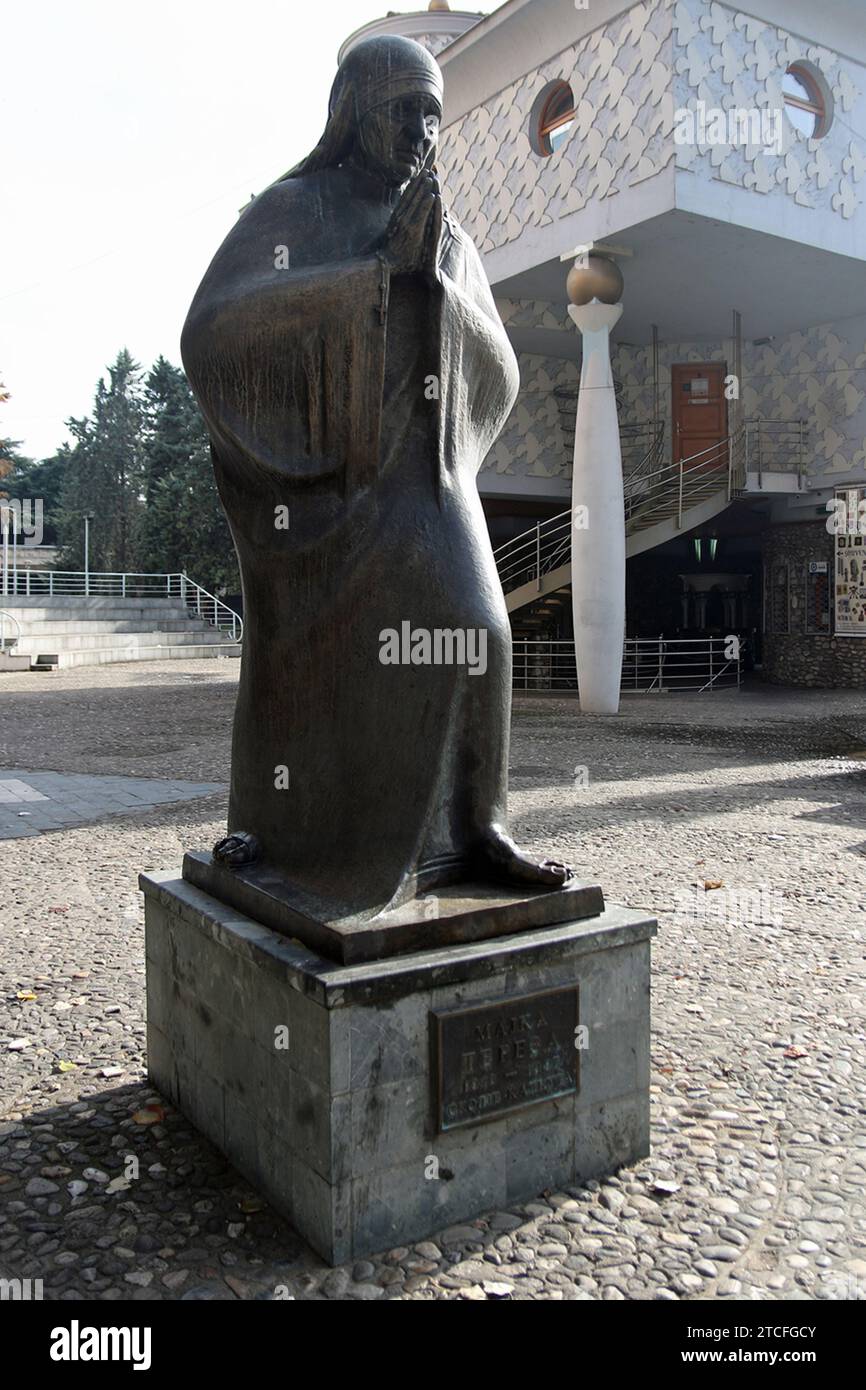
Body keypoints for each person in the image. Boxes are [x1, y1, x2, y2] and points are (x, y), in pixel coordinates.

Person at [181, 35, 571, 923]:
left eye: (433, 112)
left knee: (479, 626)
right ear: (354, 110)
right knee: (333, 663)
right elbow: (214, 330)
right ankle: (326, 843)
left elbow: (499, 366)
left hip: (424, 473)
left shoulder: (448, 227)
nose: (422, 129)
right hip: (327, 490)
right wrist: (371, 279)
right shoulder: (296, 207)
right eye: (404, 109)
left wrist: (433, 287)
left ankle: (477, 828)